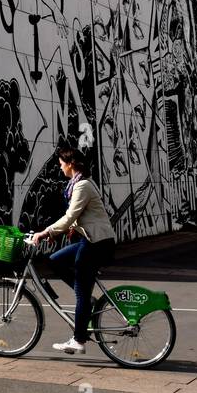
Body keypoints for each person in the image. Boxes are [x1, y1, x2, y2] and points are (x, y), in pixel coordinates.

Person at [29, 146, 117, 353]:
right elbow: (81, 217)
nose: (60, 168)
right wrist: (71, 230)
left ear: (70, 164)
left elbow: (70, 216)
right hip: (92, 239)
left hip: (96, 243)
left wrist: (46, 233)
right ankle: (88, 301)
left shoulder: (82, 186)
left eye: (61, 164)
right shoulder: (79, 184)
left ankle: (79, 339)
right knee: (55, 260)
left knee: (81, 293)